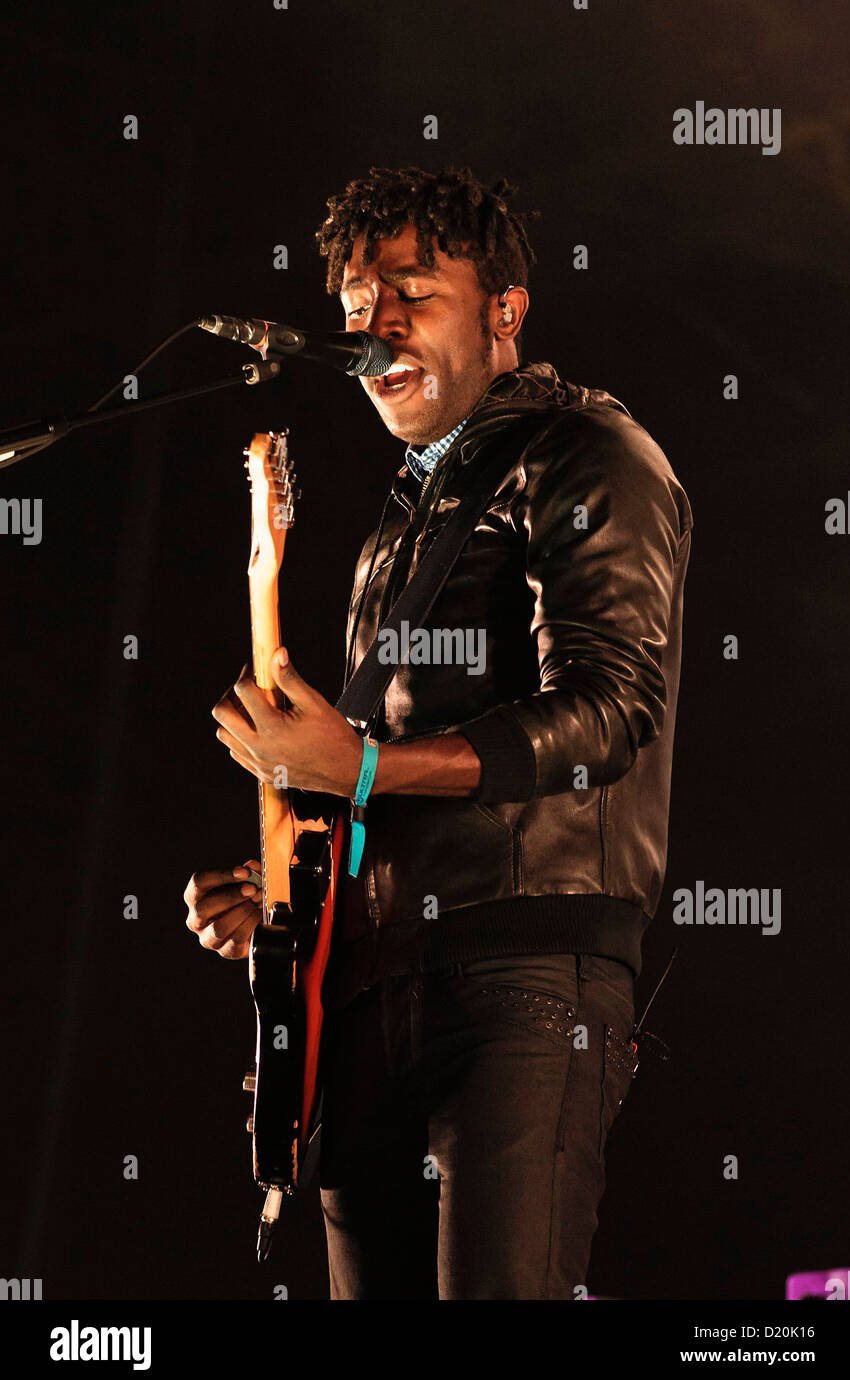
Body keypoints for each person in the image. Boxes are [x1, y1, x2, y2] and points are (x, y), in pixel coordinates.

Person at [183, 164, 693, 1300]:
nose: (376, 322)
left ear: (505, 310)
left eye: (413, 288)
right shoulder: (396, 527)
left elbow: (610, 711)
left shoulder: (590, 454)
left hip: (525, 973)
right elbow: (374, 779)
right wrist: (282, 884)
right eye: (359, 300)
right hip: (371, 980)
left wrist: (356, 763)